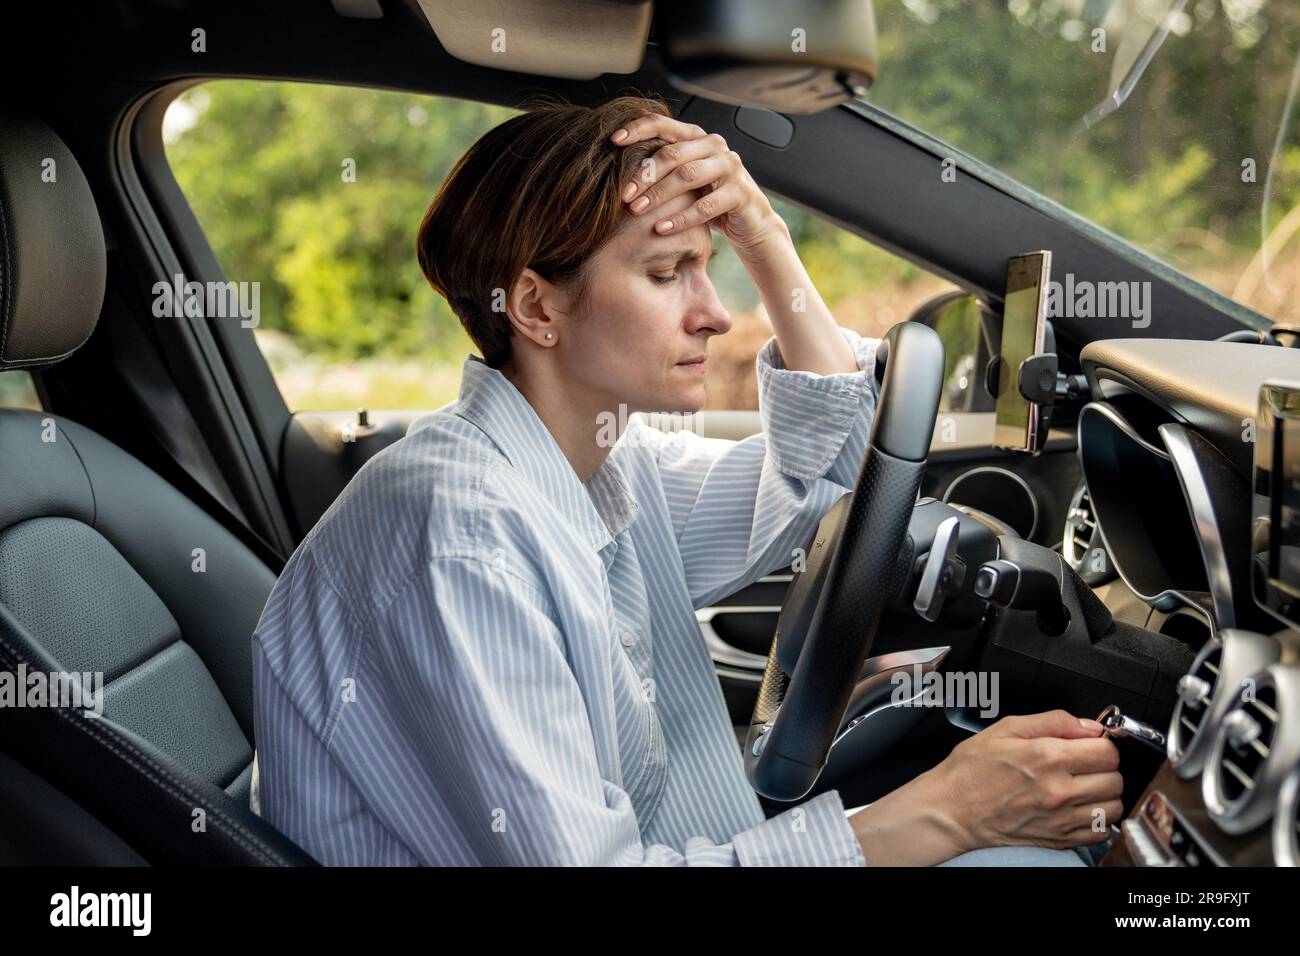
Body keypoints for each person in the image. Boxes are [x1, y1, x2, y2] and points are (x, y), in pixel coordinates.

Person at [249, 95, 1122, 866]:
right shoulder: (461, 540)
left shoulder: (599, 461)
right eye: (668, 274)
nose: (717, 312)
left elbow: (820, 473)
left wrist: (766, 236)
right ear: (536, 308)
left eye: (711, 266)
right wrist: (941, 813)